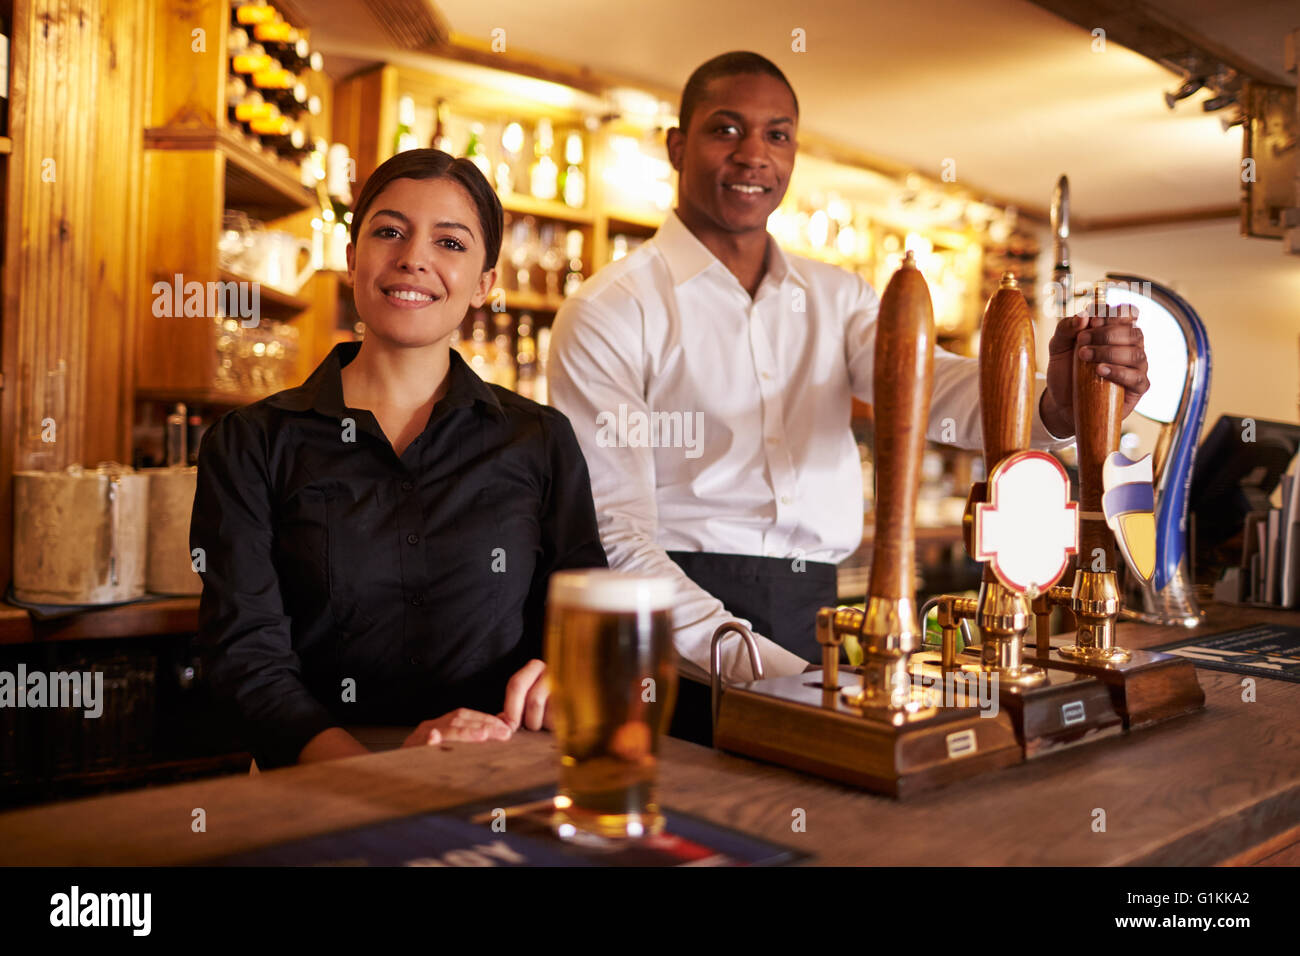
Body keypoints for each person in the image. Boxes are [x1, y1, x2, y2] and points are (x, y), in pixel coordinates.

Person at [548, 51, 1149, 742]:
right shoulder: (611, 310)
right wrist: (753, 664)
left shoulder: (838, 298)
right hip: (679, 635)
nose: (754, 156)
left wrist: (1058, 403)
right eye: (726, 130)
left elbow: (938, 390)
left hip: (818, 617)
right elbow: (616, 533)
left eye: (777, 134)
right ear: (678, 146)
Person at [191, 149, 607, 769]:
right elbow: (244, 656)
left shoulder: (538, 439)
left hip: (499, 767)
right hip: (318, 779)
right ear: (353, 256)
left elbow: (586, 610)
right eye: (389, 231)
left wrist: (566, 668)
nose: (414, 257)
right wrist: (372, 775)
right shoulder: (251, 442)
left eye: (451, 242)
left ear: (485, 284)